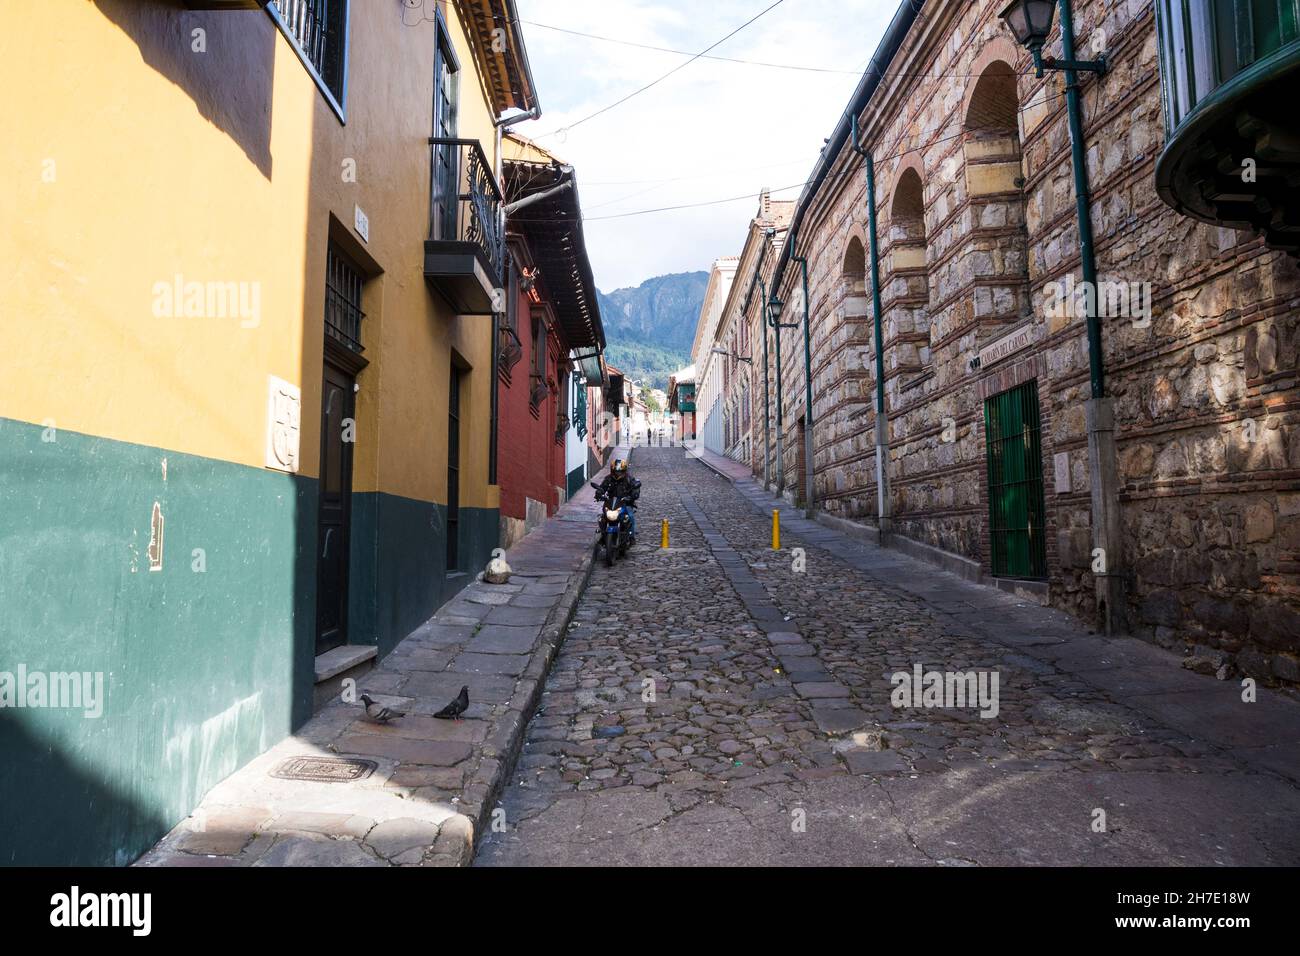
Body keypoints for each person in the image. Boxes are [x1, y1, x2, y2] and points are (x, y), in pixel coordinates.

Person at [593, 458, 641, 544]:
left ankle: (631, 536)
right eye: (616, 471)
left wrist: (633, 495)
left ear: (624, 471)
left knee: (630, 516)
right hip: (611, 502)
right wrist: (599, 493)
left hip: (625, 502)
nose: (618, 473)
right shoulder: (609, 478)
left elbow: (635, 487)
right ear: (612, 470)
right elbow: (602, 487)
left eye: (620, 471)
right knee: (603, 517)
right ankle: (603, 533)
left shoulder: (629, 478)